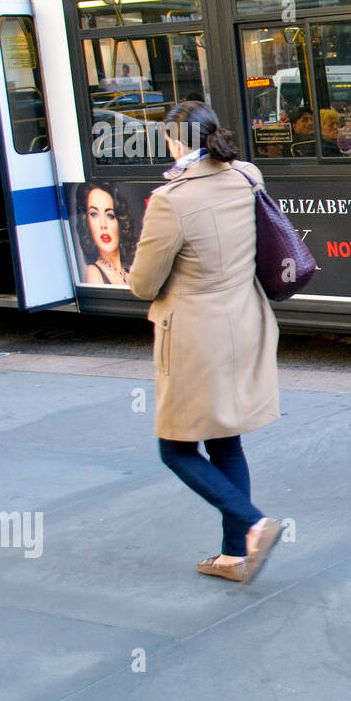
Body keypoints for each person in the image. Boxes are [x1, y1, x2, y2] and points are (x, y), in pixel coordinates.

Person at [129, 101, 282, 582]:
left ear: (175, 141)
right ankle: (233, 556)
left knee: (174, 449)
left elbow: (143, 284)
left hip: (196, 337)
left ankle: (254, 525)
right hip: (246, 320)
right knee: (224, 439)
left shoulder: (172, 200)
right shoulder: (247, 176)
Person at [76, 181, 137, 285]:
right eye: (94, 214)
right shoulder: (93, 272)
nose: (103, 224)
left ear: (120, 222)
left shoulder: (131, 273)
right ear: (86, 222)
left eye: (110, 215)